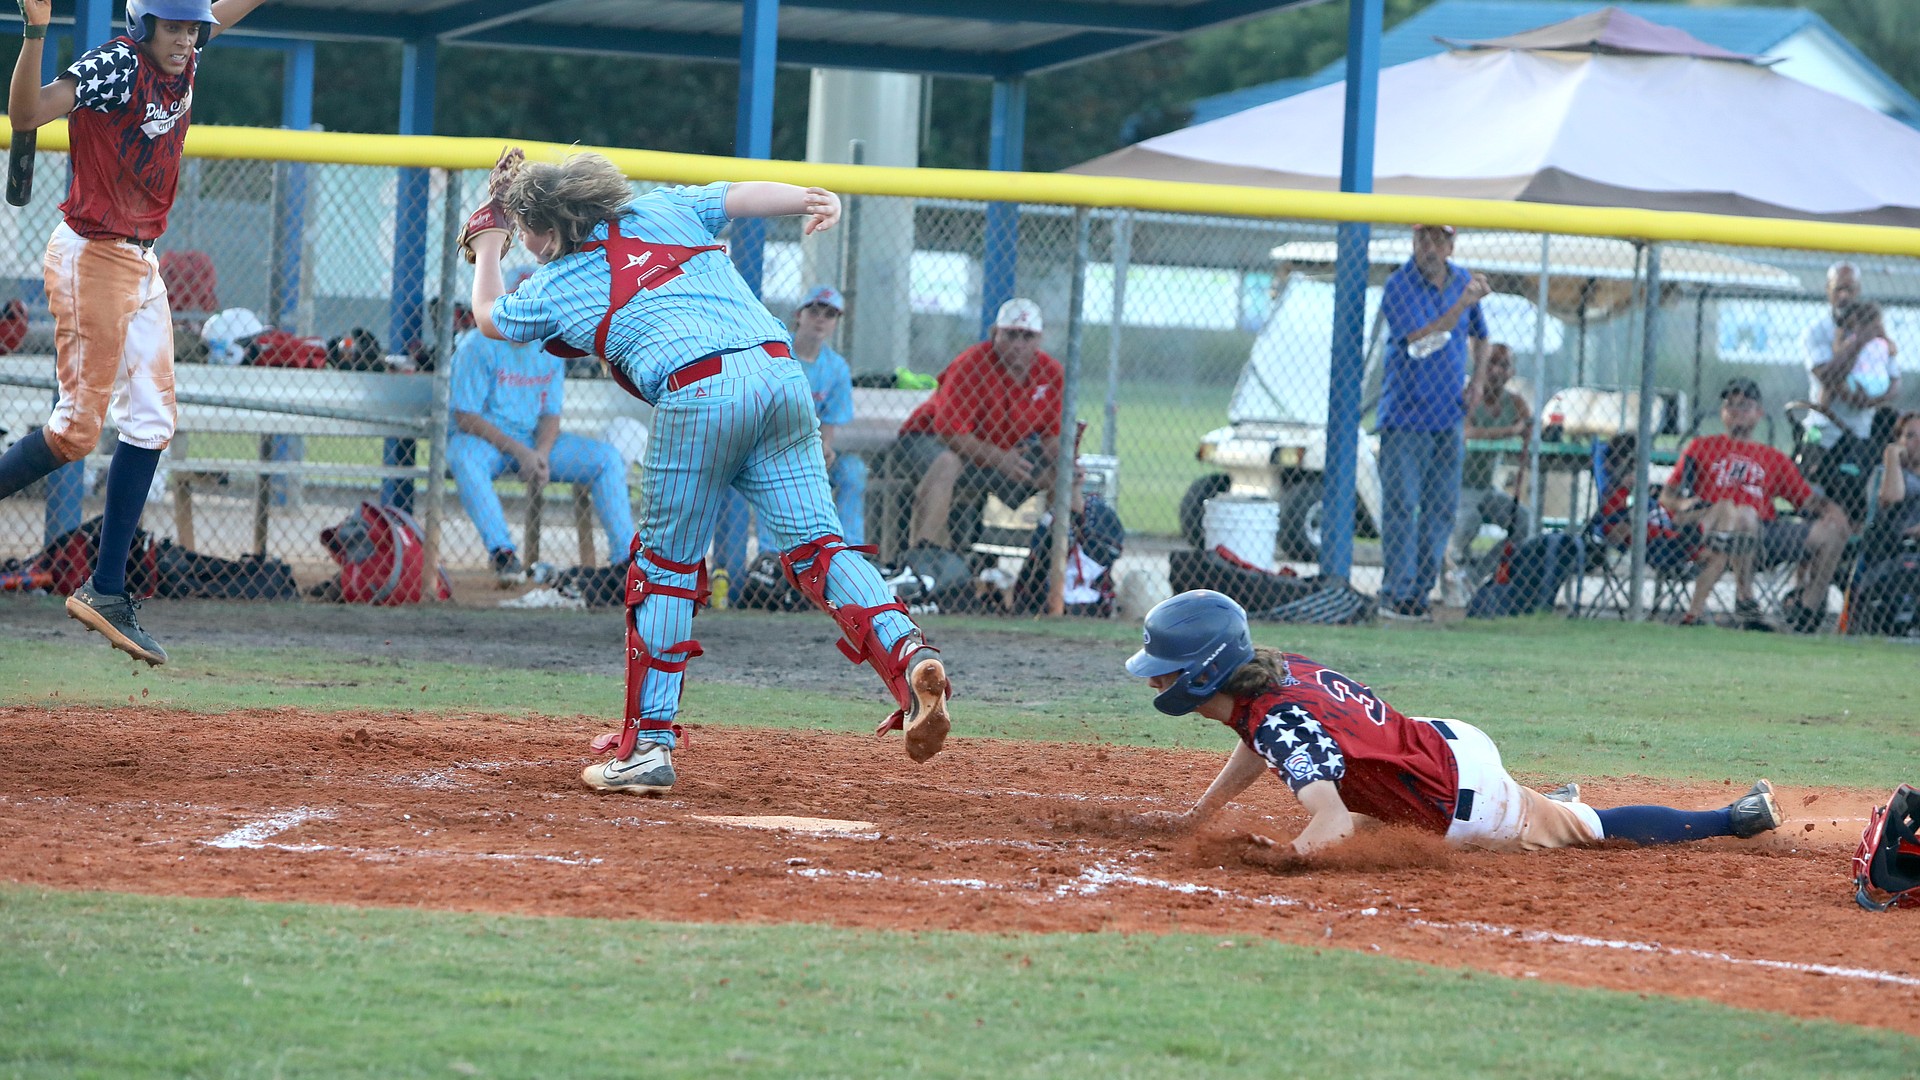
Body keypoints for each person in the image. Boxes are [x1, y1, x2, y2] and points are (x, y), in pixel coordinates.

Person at [463, 148, 951, 794]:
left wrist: (490, 247)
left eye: (530, 232)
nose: (526, 243)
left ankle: (647, 748)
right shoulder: (659, 207)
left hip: (699, 392)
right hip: (780, 376)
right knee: (819, 548)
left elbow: (488, 318)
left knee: (664, 568)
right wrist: (812, 194)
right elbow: (737, 195)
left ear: (552, 229)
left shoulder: (558, 281)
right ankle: (910, 655)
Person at [0, 0, 270, 666]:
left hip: (140, 258)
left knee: (151, 423)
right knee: (75, 433)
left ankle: (108, 591)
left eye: (192, 29)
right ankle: (106, 589)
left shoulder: (187, 58)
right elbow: (28, 114)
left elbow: (227, 9)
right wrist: (35, 31)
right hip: (92, 255)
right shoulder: (116, 64)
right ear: (144, 26)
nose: (186, 39)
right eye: (173, 27)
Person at [1125, 590, 1784, 855]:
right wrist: (1199, 816)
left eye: (1165, 666)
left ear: (1205, 671)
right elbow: (1261, 741)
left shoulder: (1278, 722)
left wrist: (1286, 860)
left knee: (1592, 831)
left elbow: (1320, 818)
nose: (1155, 676)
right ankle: (1541, 800)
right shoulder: (1271, 673)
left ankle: (1735, 817)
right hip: (1440, 741)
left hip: (1460, 798)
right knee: (1366, 817)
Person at [447, 268, 635, 582]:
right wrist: (521, 453)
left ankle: (627, 562)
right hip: (486, 443)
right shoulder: (478, 344)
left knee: (607, 460)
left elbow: (550, 416)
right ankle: (502, 553)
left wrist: (542, 455)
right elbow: (466, 417)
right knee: (462, 456)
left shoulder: (549, 345)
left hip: (533, 444)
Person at [1660, 378, 1849, 632]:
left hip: (1765, 535)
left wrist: (1830, 510)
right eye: (1731, 405)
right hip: (1715, 534)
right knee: (1744, 514)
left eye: (1745, 405)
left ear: (1759, 412)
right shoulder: (1701, 447)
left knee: (1833, 532)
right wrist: (1684, 504)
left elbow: (1806, 501)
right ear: (1722, 412)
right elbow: (1667, 495)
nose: (1737, 411)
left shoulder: (1773, 457)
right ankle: (1745, 599)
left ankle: (1806, 611)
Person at [711, 283, 865, 584]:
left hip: (812, 449)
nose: (821, 319)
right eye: (815, 311)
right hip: (772, 447)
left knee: (853, 471)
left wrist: (825, 448)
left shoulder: (836, 368)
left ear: (835, 324)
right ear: (799, 315)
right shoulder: (777, 351)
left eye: (830, 314)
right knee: (776, 474)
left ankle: (852, 558)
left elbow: (831, 423)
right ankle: (774, 558)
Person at [1376, 224, 1491, 620]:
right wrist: (1461, 304)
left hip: (1447, 414)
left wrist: (1476, 382)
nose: (1430, 247)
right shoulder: (1400, 285)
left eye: (1438, 239)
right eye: (1423, 239)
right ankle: (1397, 590)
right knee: (1402, 504)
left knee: (1441, 507)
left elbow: (1480, 335)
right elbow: (1421, 340)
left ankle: (1420, 593)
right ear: (1413, 241)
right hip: (1406, 414)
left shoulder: (1462, 281)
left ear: (1451, 244)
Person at [894, 298, 1065, 553]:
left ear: (1039, 339)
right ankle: (922, 558)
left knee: (1062, 476)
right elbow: (949, 433)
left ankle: (1058, 564)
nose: (1018, 344)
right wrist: (1000, 459)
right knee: (947, 463)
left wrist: (1066, 461)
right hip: (928, 439)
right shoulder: (971, 364)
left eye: (1027, 336)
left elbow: (1051, 435)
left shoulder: (1051, 373)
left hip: (998, 452)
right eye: (1010, 335)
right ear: (995, 333)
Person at [1801, 266, 1900, 525]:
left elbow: (1893, 380)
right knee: (1814, 497)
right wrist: (1859, 342)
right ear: (1828, 292)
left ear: (1859, 291)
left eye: (1850, 289)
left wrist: (1869, 400)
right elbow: (1826, 375)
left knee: (1854, 497)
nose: (1844, 295)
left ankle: (1847, 560)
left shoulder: (1876, 328)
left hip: (1860, 429)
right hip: (1823, 429)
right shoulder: (1817, 330)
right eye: (1838, 289)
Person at [1445, 342, 1533, 605]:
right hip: (1458, 486)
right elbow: (1467, 432)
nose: (1496, 371)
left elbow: (1528, 429)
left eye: (1503, 365)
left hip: (1485, 486)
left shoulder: (1515, 403)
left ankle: (1473, 574)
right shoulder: (1469, 396)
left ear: (1511, 372)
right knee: (1467, 520)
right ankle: (1452, 569)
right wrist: (1509, 432)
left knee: (1523, 522)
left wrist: (1526, 435)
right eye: (1491, 363)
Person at [1008, 461, 1124, 617]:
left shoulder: (1098, 511)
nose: (1075, 468)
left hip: (1091, 596)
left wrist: (1078, 516)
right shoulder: (1047, 522)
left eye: (1077, 463)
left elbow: (1108, 554)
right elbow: (1036, 570)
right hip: (1053, 596)